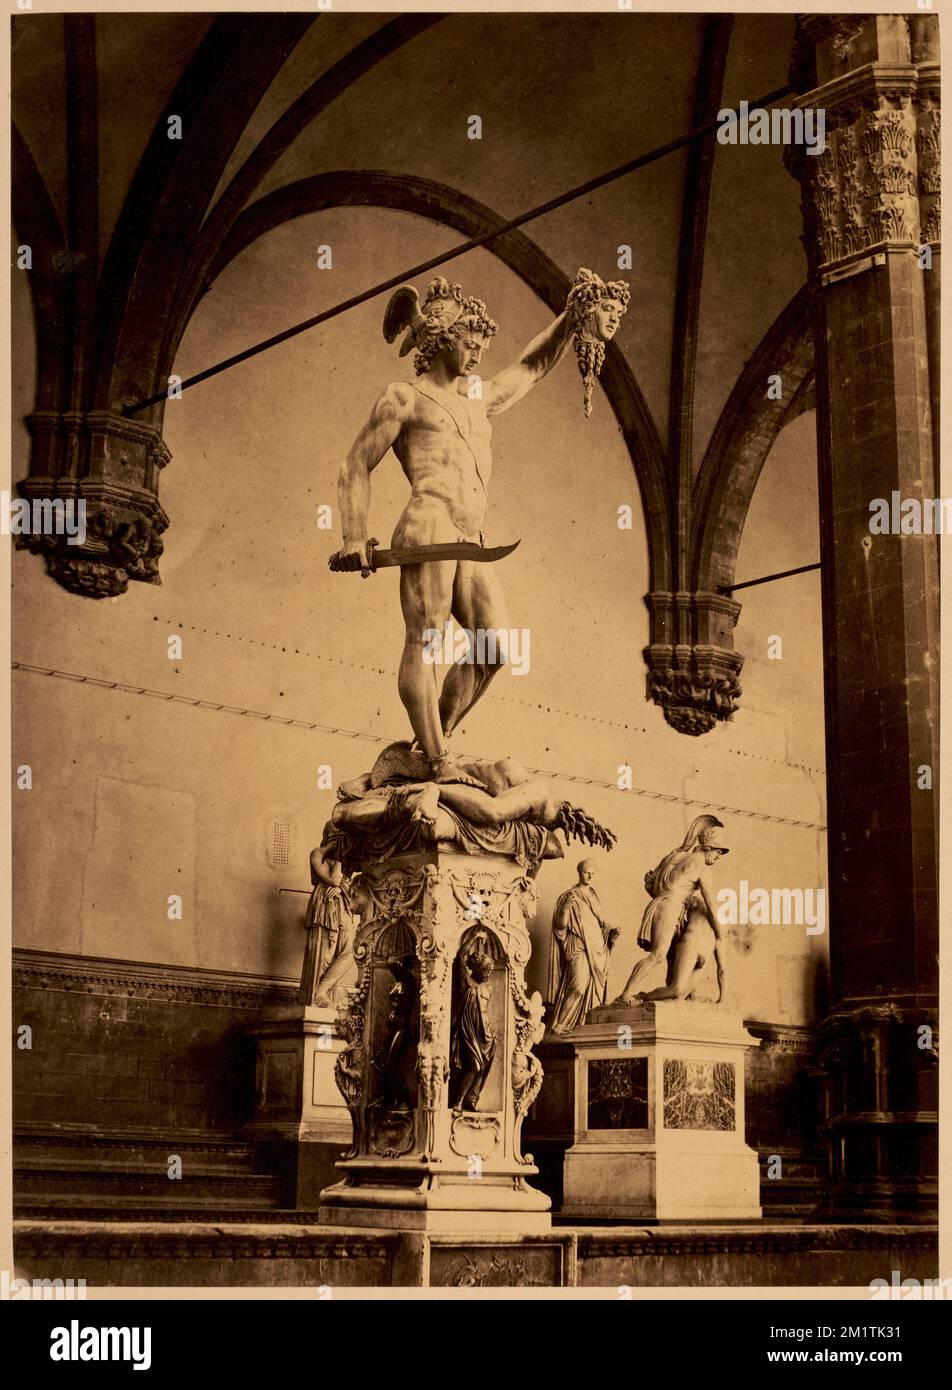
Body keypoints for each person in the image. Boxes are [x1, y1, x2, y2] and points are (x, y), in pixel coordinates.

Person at [332, 273, 582, 784]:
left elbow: (531, 367)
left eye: (480, 348)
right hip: (428, 523)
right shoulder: (404, 398)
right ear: (443, 341)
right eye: (469, 346)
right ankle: (440, 760)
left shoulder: (476, 396)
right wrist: (353, 534)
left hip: (471, 540)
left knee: (495, 648)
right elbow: (355, 463)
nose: (476, 357)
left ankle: (428, 753)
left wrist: (571, 319)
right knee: (426, 639)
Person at [613, 815, 729, 1005]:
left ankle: (664, 1001)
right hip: (671, 907)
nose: (718, 856)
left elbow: (650, 883)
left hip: (660, 904)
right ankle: (626, 994)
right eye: (717, 851)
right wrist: (720, 932)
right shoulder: (703, 869)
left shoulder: (675, 856)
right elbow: (711, 903)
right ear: (707, 848)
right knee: (658, 955)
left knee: (671, 959)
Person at [547, 859, 620, 1032]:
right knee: (578, 986)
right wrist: (564, 910)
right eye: (586, 872)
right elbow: (560, 926)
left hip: (597, 947)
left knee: (592, 988)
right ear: (579, 872)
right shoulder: (569, 896)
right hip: (578, 944)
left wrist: (610, 933)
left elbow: (598, 924)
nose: (589, 876)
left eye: (593, 873)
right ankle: (561, 1025)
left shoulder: (595, 896)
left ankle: (585, 1025)